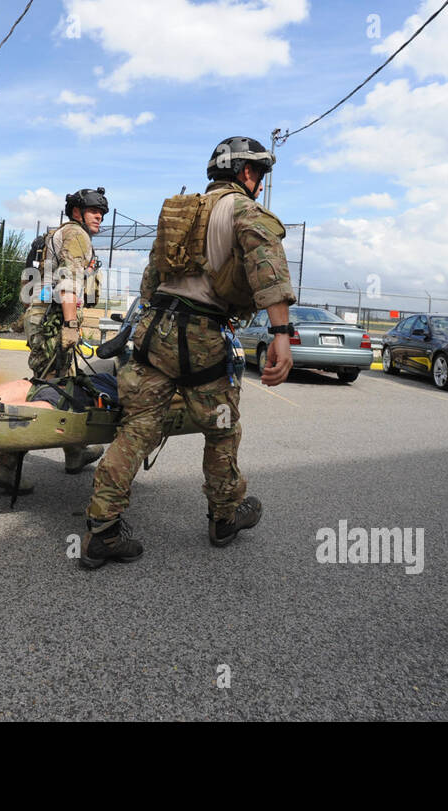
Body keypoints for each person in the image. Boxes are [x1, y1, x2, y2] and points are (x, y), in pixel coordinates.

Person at [80, 136, 296, 569]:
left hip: (154, 330)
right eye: (259, 174)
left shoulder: (181, 212)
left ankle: (102, 531)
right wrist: (281, 333)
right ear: (247, 173)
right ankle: (224, 516)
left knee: (137, 427)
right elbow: (267, 268)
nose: (259, 181)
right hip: (202, 339)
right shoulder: (245, 211)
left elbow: (149, 280)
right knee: (220, 428)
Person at [0, 187, 109, 492]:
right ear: (77, 212)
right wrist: (68, 324)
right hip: (54, 319)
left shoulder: (53, 237)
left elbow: (30, 284)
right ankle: (5, 462)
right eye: (94, 211)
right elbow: (68, 282)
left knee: (65, 386)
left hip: (43, 316)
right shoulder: (75, 235)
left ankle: (75, 452)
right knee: (48, 393)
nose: (99, 218)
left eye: (102, 213)